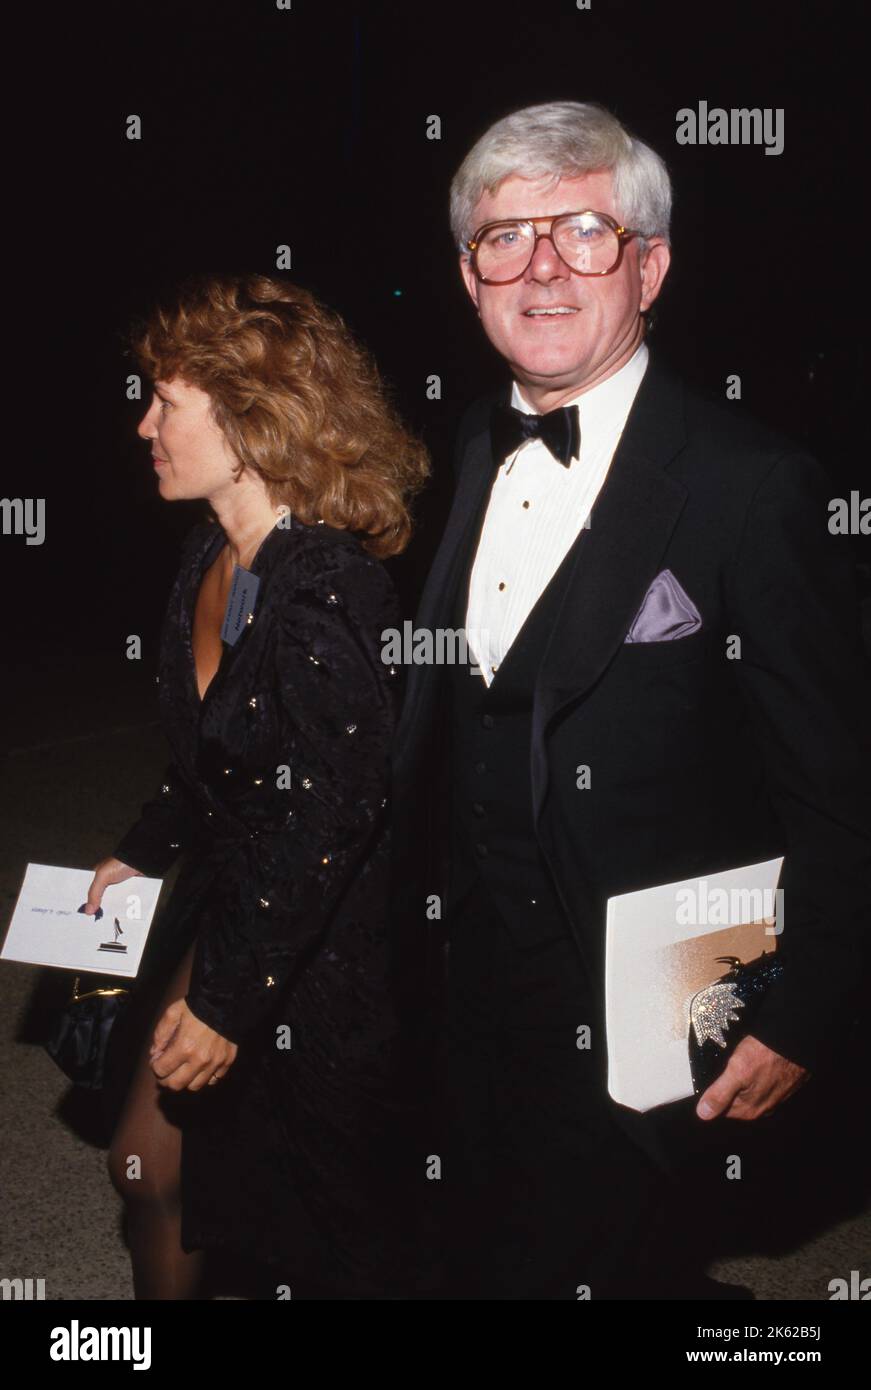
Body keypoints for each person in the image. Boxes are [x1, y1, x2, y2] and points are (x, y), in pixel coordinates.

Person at [390, 100, 871, 1299]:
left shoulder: (750, 485)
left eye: (585, 232)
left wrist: (803, 1010)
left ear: (649, 266)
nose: (542, 266)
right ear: (468, 274)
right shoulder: (467, 446)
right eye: (505, 237)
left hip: (645, 1006)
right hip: (462, 994)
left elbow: (837, 784)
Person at [86, 272, 429, 1299]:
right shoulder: (209, 553)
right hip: (234, 903)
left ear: (247, 421)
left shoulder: (329, 590)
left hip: (322, 949)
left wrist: (229, 1002)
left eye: (165, 403)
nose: (144, 424)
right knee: (146, 1166)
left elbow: (332, 810)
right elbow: (213, 752)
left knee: (326, 1229)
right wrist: (141, 846)